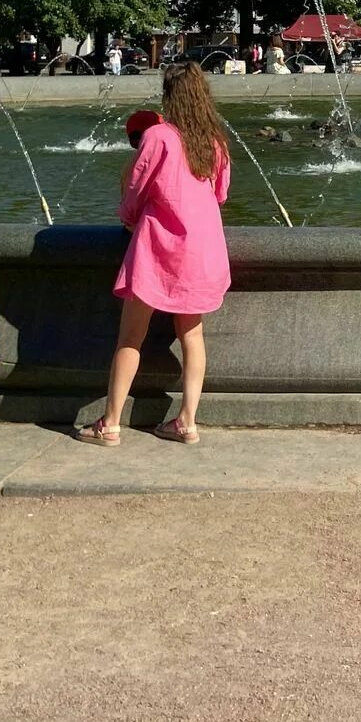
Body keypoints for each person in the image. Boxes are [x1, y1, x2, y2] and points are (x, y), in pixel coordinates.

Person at [76, 66, 234, 446]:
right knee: (192, 335)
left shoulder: (159, 136)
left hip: (159, 248)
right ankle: (187, 421)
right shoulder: (214, 142)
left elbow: (135, 188)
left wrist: (129, 217)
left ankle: (111, 423)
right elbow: (220, 194)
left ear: (169, 96)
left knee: (131, 336)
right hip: (202, 248)